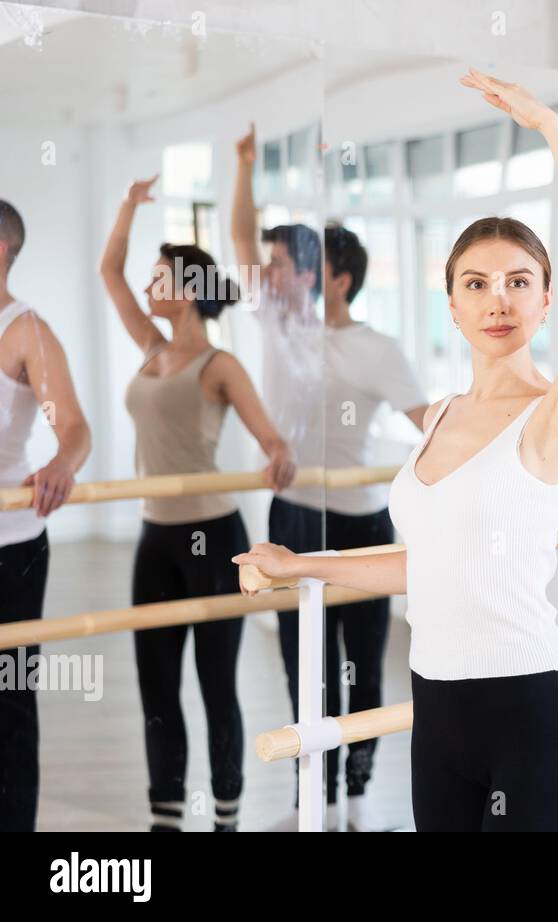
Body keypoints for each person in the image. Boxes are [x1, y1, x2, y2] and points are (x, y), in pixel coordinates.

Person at [236, 66, 558, 832]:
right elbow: (433, 561)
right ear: (451, 304)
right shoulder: (444, 414)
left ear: (547, 300)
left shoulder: (556, 416)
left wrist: (552, 130)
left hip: (535, 713)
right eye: (477, 284)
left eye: (519, 282)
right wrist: (301, 564)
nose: (499, 300)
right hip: (438, 711)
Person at [232, 151, 429, 829]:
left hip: (360, 526)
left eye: (288, 264)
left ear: (335, 278)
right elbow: (240, 241)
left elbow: (430, 427)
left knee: (364, 670)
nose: (274, 276)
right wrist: (242, 167)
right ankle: (307, 787)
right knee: (302, 664)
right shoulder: (287, 327)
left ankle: (358, 791)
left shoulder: (379, 348)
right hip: (292, 517)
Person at [100, 175, 295, 831]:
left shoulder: (219, 363)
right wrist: (129, 206)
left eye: (161, 276)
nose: (151, 285)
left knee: (216, 687)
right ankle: (166, 817)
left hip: (213, 538)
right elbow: (110, 271)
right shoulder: (152, 349)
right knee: (157, 689)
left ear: (187, 291)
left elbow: (271, 438)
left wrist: (278, 458)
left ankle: (228, 817)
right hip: (155, 538)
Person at [0, 198, 92, 832]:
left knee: (7, 701)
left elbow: (75, 426)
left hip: (11, 546)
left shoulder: (26, 331)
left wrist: (62, 461)